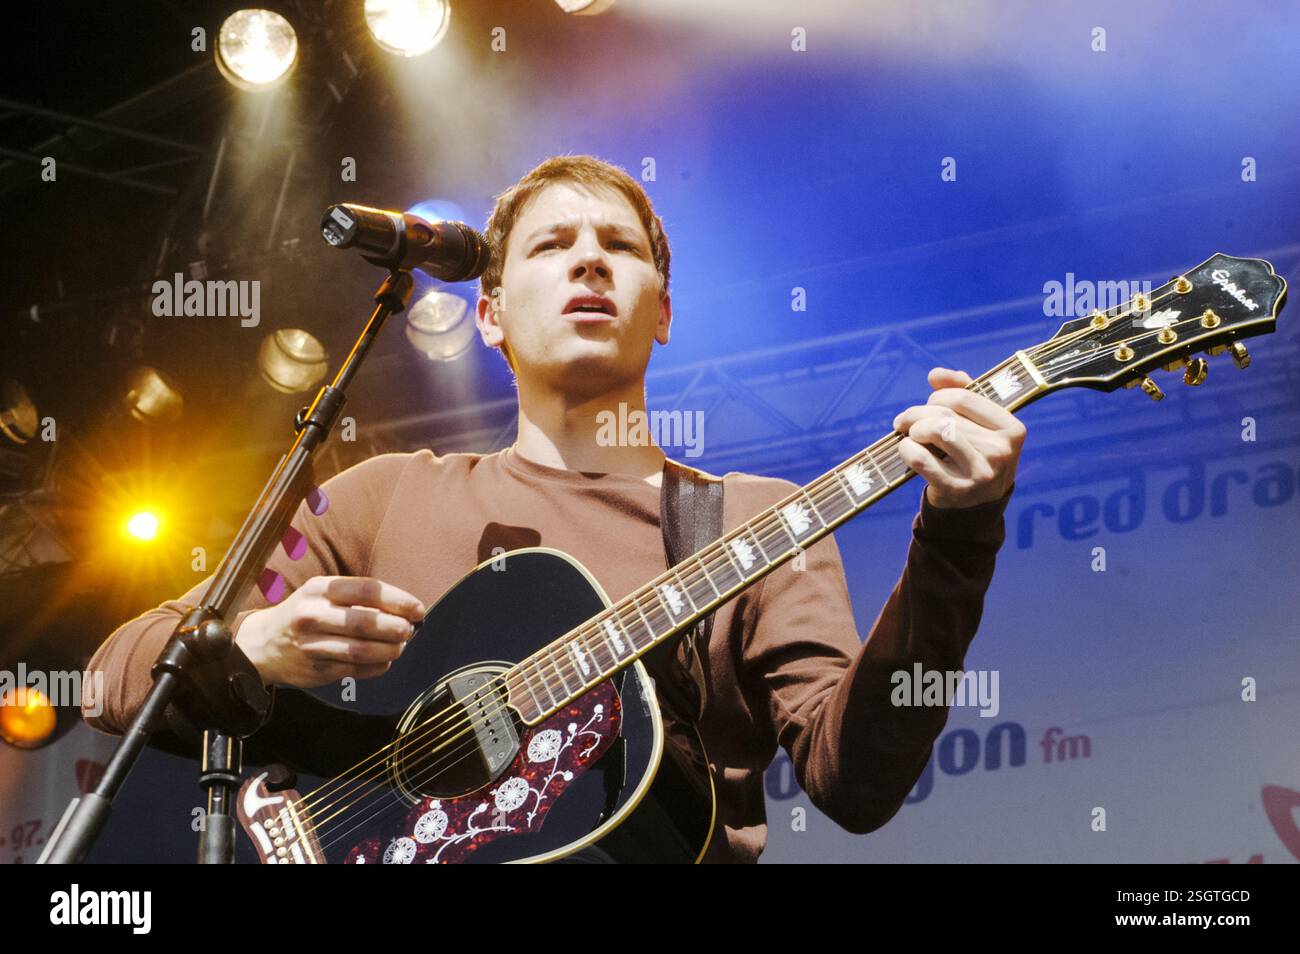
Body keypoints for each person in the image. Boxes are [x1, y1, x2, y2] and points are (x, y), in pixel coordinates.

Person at [83, 154, 1026, 863]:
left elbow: (854, 782)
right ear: (487, 314)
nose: (589, 262)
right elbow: (111, 682)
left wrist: (958, 532)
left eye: (620, 247)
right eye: (552, 246)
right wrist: (250, 647)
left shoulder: (752, 519)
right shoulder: (382, 495)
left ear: (662, 313)